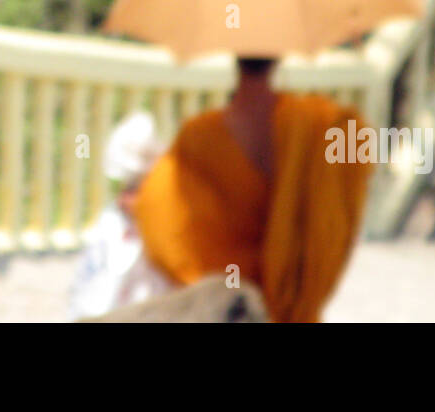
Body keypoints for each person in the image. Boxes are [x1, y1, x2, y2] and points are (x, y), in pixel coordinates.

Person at [131, 57, 372, 322]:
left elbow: (157, 213)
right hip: (292, 312)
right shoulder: (315, 127)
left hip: (228, 309)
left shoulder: (200, 136)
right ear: (279, 58)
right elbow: (353, 158)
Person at [68, 112, 174, 319]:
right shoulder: (111, 224)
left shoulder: (165, 222)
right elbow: (88, 287)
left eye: (136, 187)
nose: (125, 199)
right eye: (127, 187)